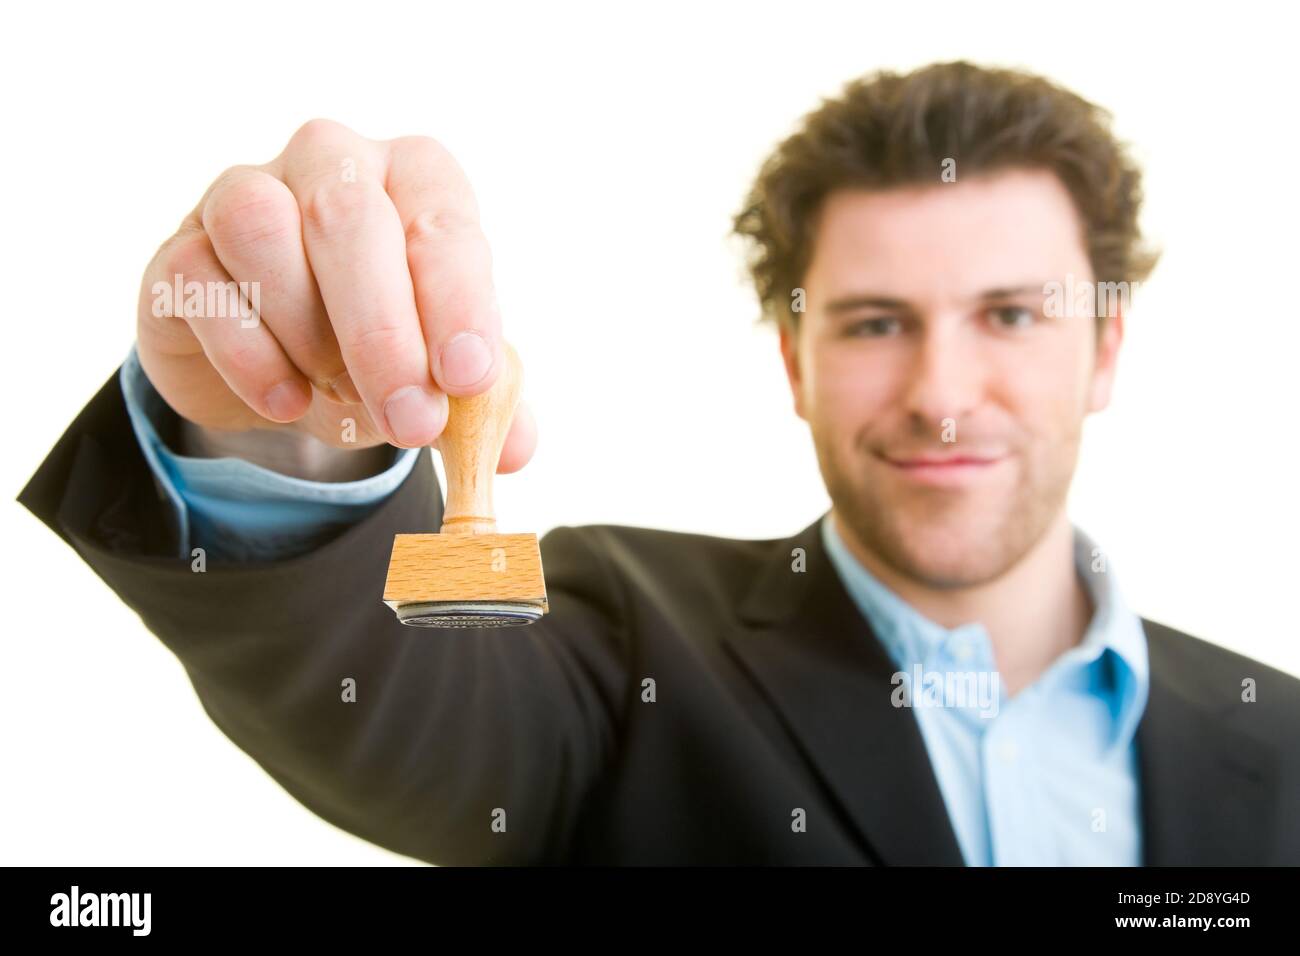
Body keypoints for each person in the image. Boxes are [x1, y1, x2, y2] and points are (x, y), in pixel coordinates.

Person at [19, 61, 1300, 865]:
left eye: (1011, 314)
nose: (942, 395)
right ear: (794, 361)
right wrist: (283, 417)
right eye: (872, 322)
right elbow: (404, 702)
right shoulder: (617, 655)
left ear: (1106, 347)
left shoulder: (1283, 741)